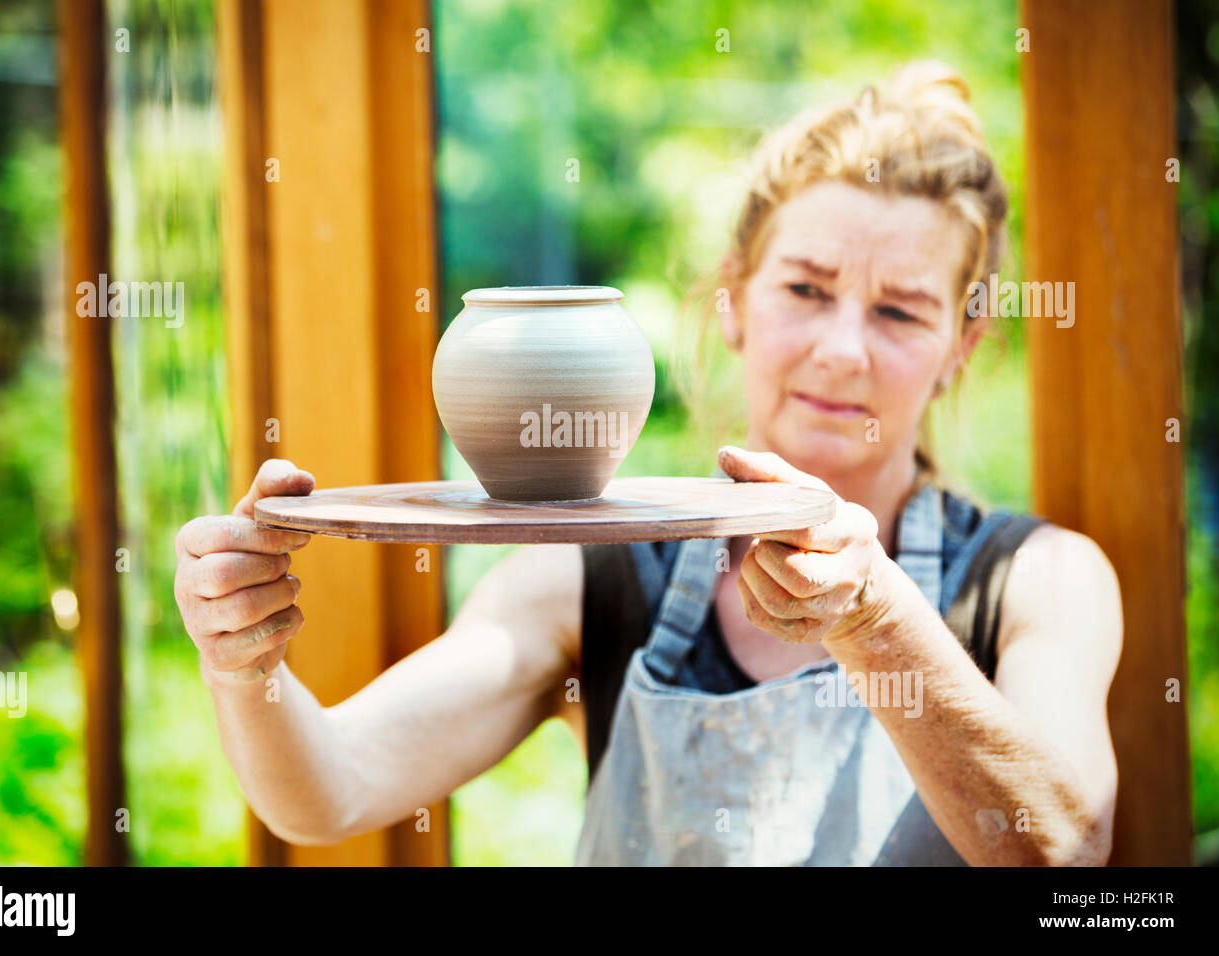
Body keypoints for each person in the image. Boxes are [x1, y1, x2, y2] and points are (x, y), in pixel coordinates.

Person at [173, 60, 1121, 866]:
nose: (843, 349)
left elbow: (1065, 849)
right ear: (733, 305)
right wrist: (240, 660)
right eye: (805, 288)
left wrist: (876, 618)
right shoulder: (590, 575)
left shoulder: (1039, 580)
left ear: (963, 343)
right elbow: (330, 789)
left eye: (901, 309)